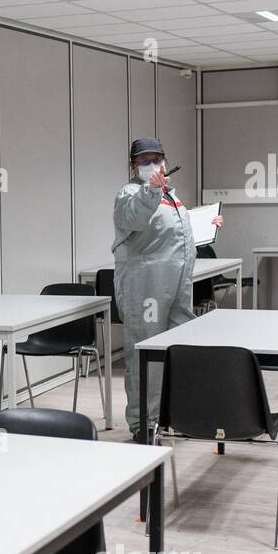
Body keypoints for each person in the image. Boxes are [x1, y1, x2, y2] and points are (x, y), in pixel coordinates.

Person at [112, 137, 222, 441]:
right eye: (144, 160)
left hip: (176, 285)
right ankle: (143, 423)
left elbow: (171, 236)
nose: (152, 165)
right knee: (146, 353)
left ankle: (168, 414)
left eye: (156, 158)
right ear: (133, 165)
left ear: (165, 159)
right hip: (145, 287)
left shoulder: (170, 196)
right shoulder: (130, 193)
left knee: (176, 350)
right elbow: (133, 216)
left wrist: (206, 226)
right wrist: (151, 189)